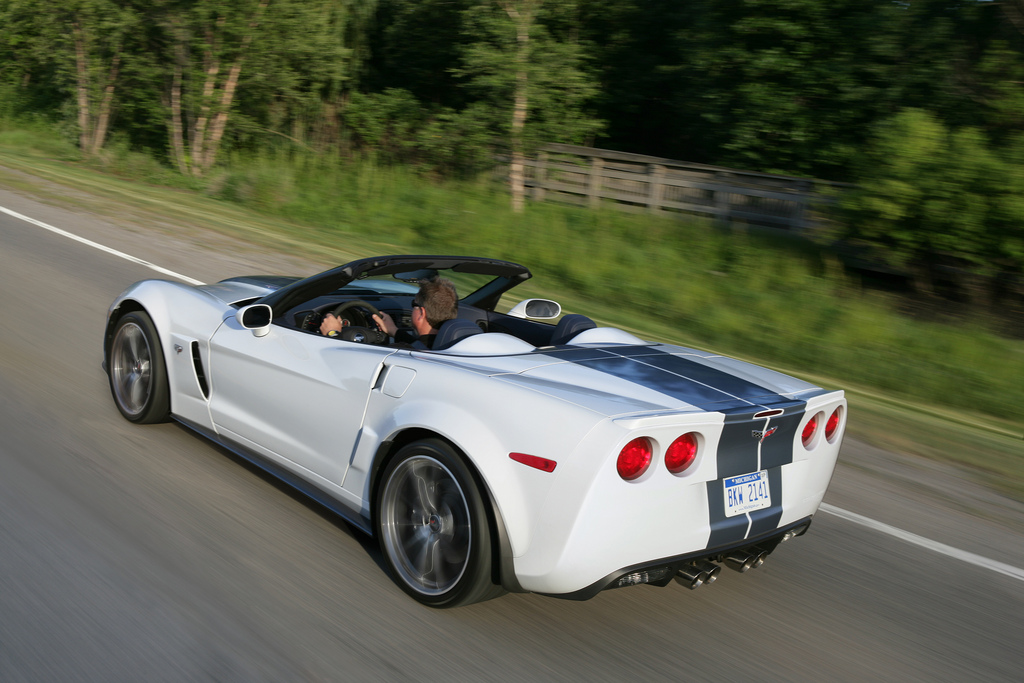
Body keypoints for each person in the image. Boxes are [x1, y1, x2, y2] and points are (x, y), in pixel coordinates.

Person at [319, 277, 459, 350]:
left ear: (421, 313)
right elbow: (423, 345)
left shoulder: (402, 353)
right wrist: (394, 331)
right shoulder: (455, 342)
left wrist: (333, 333)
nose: (412, 309)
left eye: (414, 305)